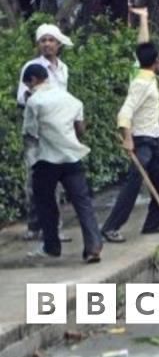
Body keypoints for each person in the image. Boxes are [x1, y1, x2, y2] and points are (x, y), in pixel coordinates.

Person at [102, 9, 159, 243]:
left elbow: (143, 46)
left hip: (154, 140)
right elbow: (125, 112)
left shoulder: (141, 72)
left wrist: (143, 19)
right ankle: (111, 227)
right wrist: (127, 138)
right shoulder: (142, 83)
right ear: (156, 62)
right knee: (133, 185)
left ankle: (153, 223)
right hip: (142, 141)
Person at [21, 64, 103, 262]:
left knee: (45, 203)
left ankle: (52, 246)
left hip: (46, 160)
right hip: (72, 158)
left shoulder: (34, 102)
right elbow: (80, 130)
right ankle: (93, 247)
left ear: (32, 80)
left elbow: (30, 133)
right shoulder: (72, 99)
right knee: (82, 203)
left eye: (28, 85)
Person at [16, 23, 73, 241]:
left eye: (51, 40)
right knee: (34, 180)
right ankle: (33, 226)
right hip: (35, 133)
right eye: (43, 40)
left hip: (57, 132)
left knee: (55, 181)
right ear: (39, 44)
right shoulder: (31, 67)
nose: (47, 44)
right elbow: (22, 97)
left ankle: (54, 228)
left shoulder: (63, 69)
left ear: (58, 44)